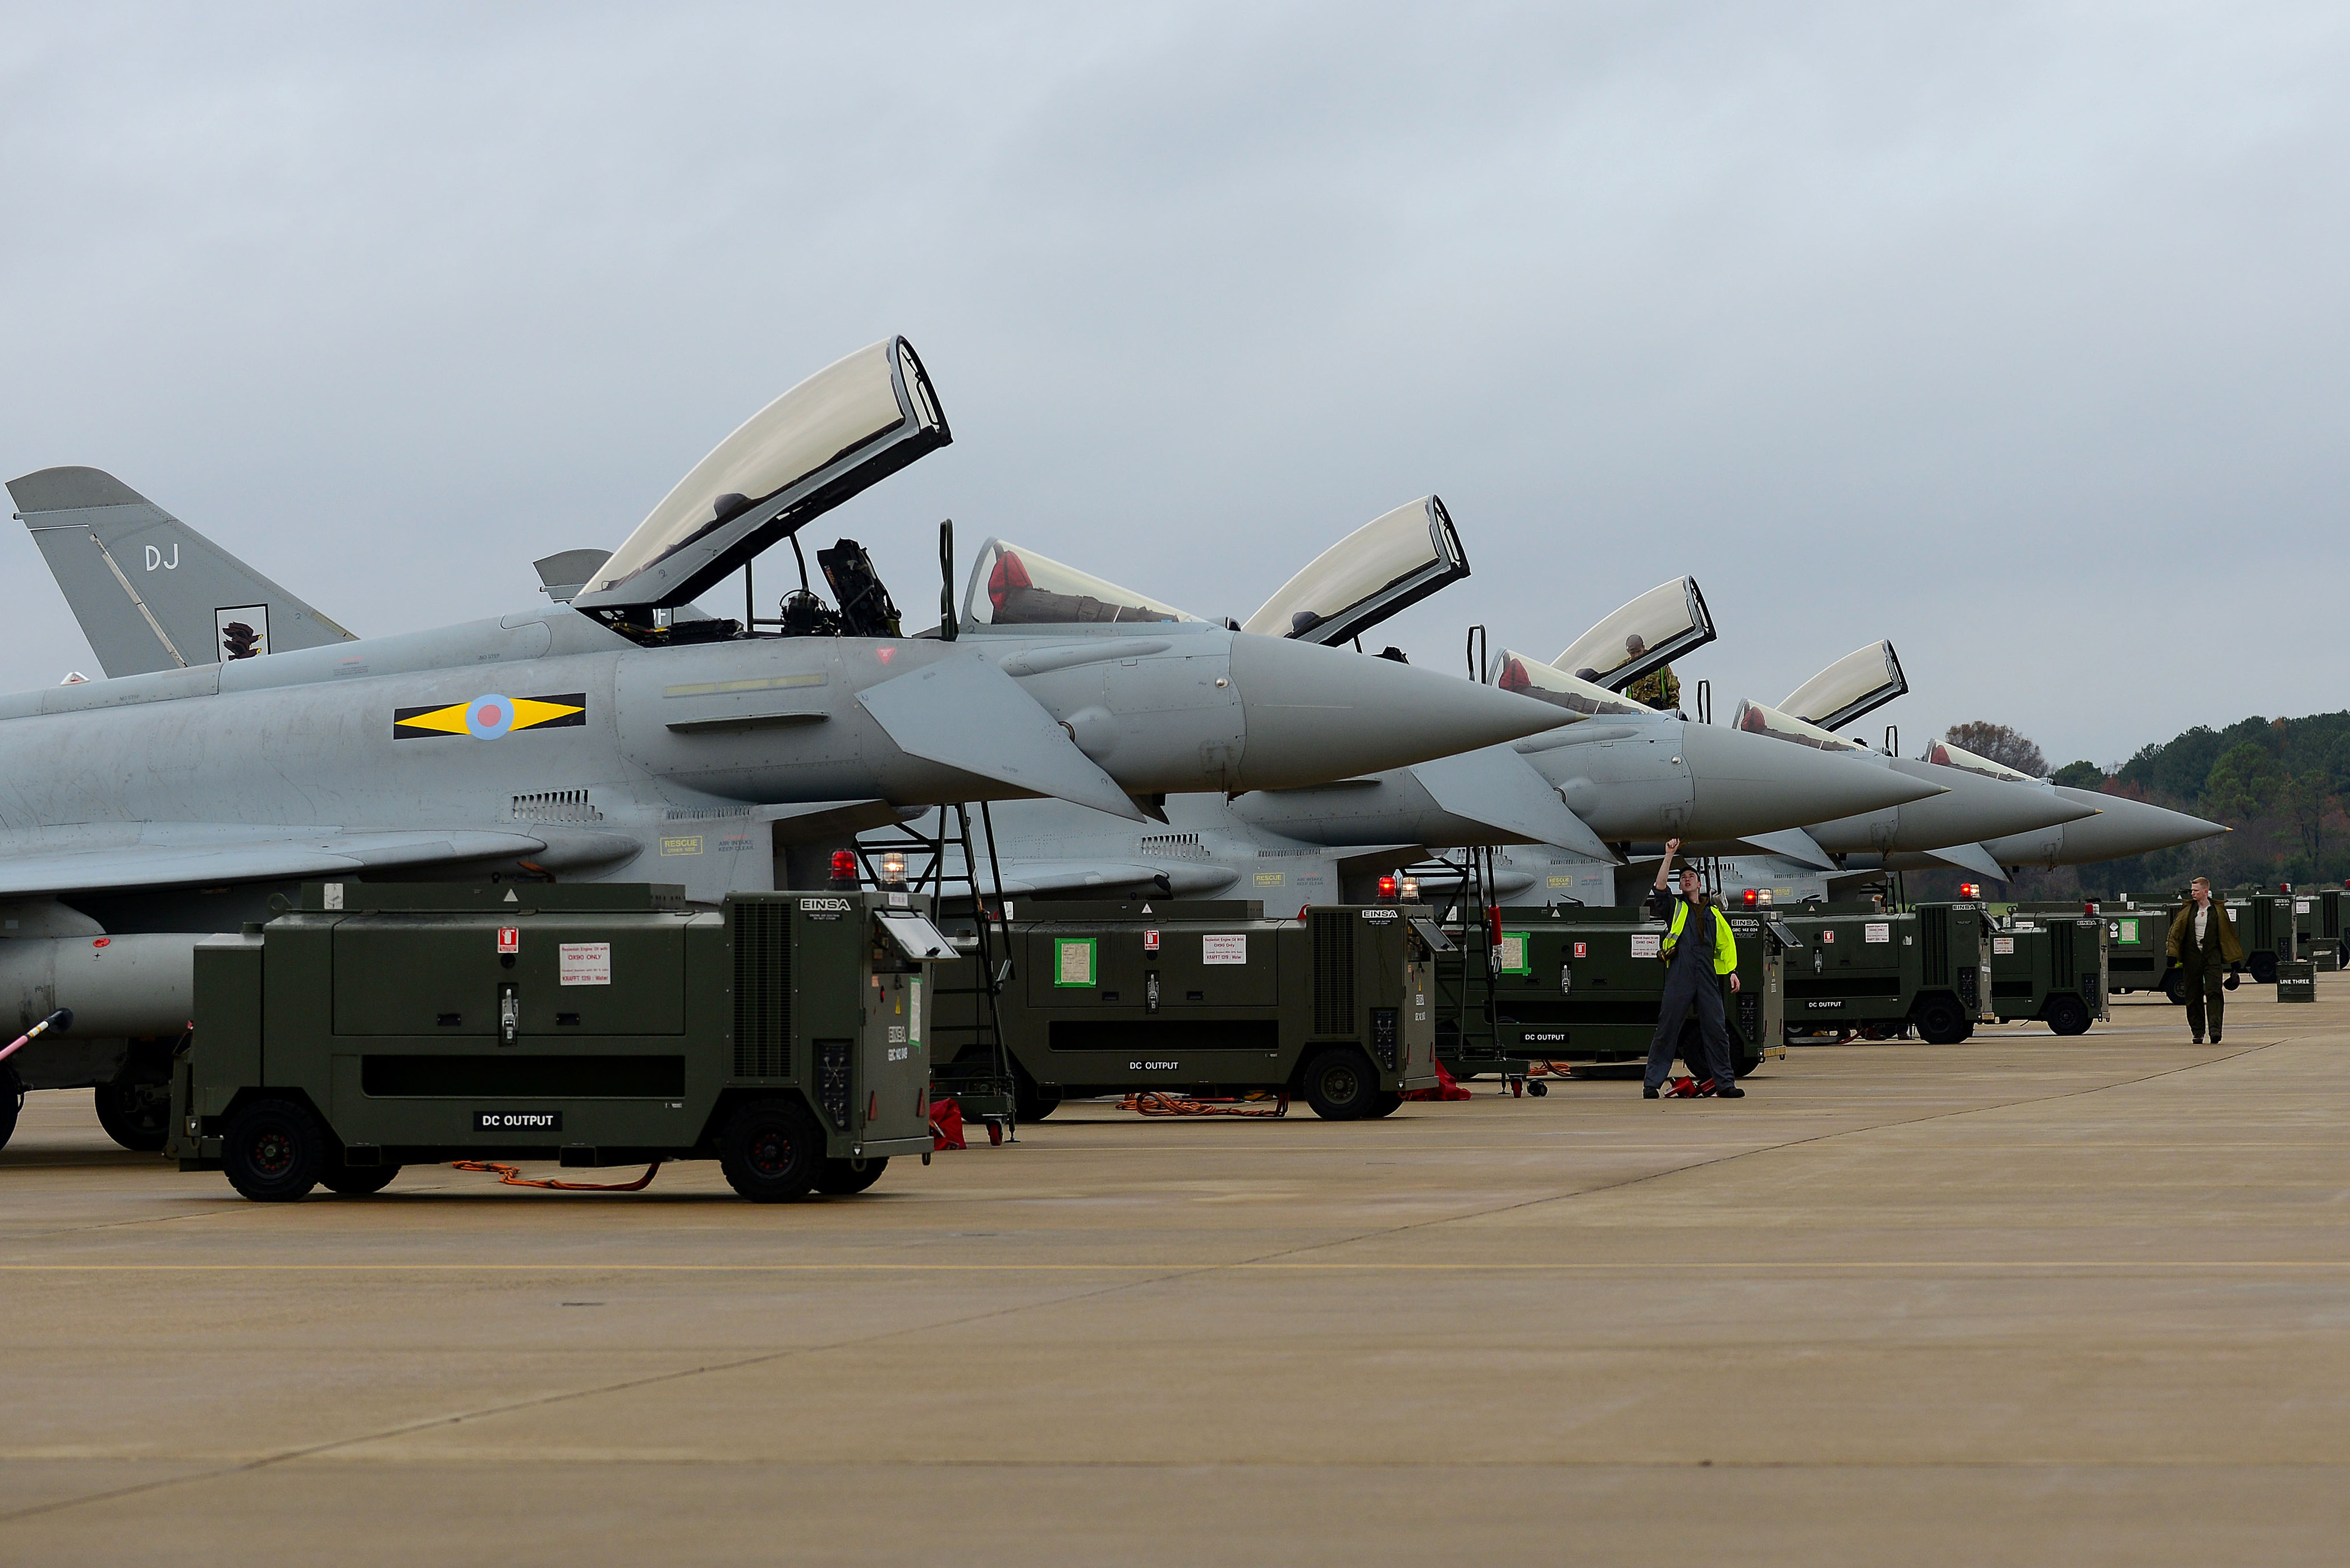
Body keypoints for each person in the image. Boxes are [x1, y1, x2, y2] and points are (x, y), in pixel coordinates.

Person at [1642, 838, 1743, 1099]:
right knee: (1667, 1028)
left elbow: (1725, 944)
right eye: (1683, 878)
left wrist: (1732, 972)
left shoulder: (1713, 913)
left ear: (1699, 884)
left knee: (1717, 1030)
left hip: (1707, 975)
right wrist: (1669, 855)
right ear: (1680, 886)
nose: (1687, 880)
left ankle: (1725, 1084)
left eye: (1691, 877)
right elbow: (1660, 887)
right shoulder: (1675, 908)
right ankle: (1651, 1084)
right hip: (1681, 972)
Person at [2165, 876, 2243, 1044]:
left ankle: (2215, 1030)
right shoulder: (2187, 911)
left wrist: (2234, 960)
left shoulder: (2218, 912)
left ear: (2206, 891)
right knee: (2193, 995)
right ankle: (2198, 1032)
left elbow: (2228, 936)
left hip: (2212, 957)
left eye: (2196, 890)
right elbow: (2175, 934)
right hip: (2192, 957)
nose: (2193, 893)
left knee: (2214, 992)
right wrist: (2172, 955)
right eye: (2192, 890)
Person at [1622, 632, 1681, 711]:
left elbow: (1673, 688)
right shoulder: (1626, 668)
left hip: (1659, 712)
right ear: (1628, 652)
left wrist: (1674, 711)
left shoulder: (1658, 663)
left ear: (1643, 647)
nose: (1636, 655)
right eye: (1633, 653)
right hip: (1636, 713)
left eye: (1638, 651)